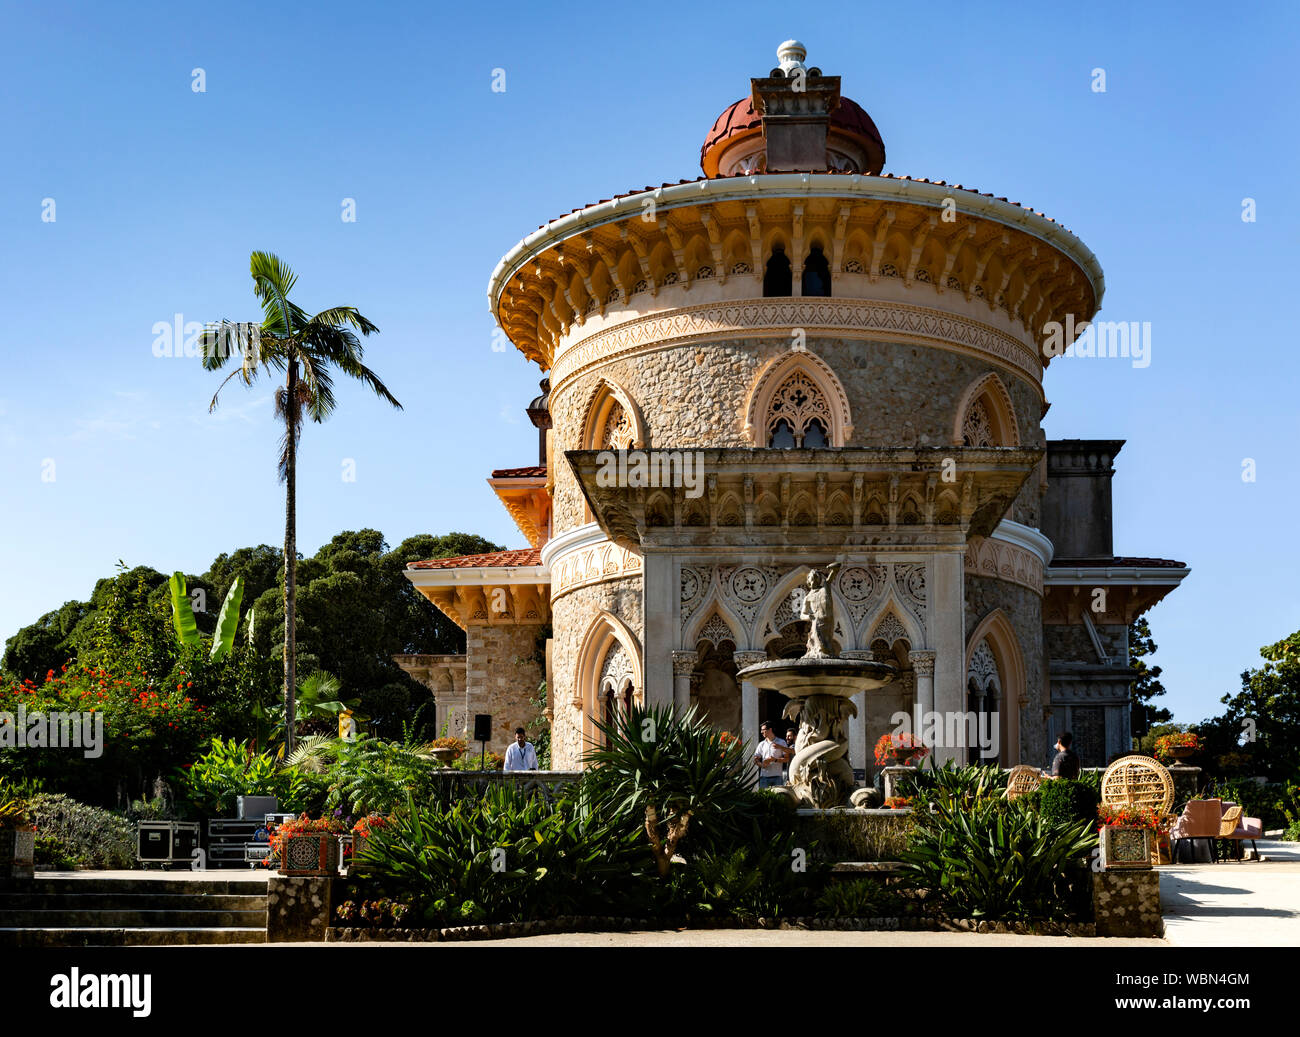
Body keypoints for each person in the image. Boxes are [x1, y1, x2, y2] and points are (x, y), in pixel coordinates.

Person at [752, 722, 789, 788]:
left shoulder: (781, 742)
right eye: (761, 730)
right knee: (763, 798)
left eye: (763, 730)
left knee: (778, 798)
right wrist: (761, 764)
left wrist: (774, 760)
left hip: (777, 777)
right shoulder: (761, 744)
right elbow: (755, 759)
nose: (761, 732)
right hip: (764, 778)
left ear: (770, 730)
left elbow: (787, 759)